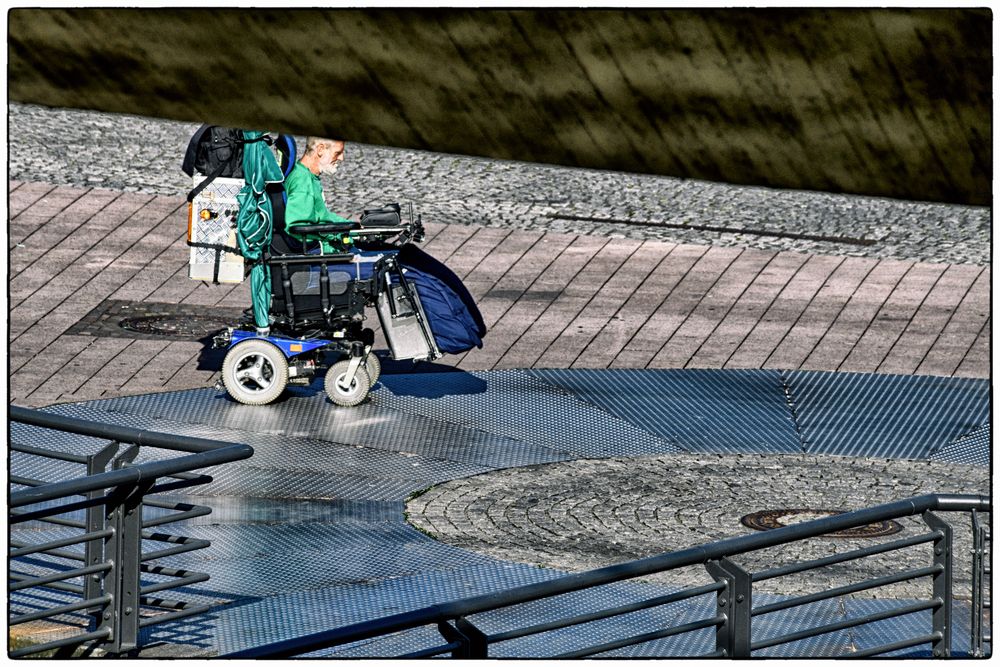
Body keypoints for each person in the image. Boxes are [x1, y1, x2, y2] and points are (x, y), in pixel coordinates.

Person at [283, 136, 353, 253]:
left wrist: (351, 226)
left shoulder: (309, 176)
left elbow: (322, 215)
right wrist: (337, 235)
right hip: (315, 249)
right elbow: (298, 227)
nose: (341, 158)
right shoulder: (302, 180)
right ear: (320, 150)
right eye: (338, 153)